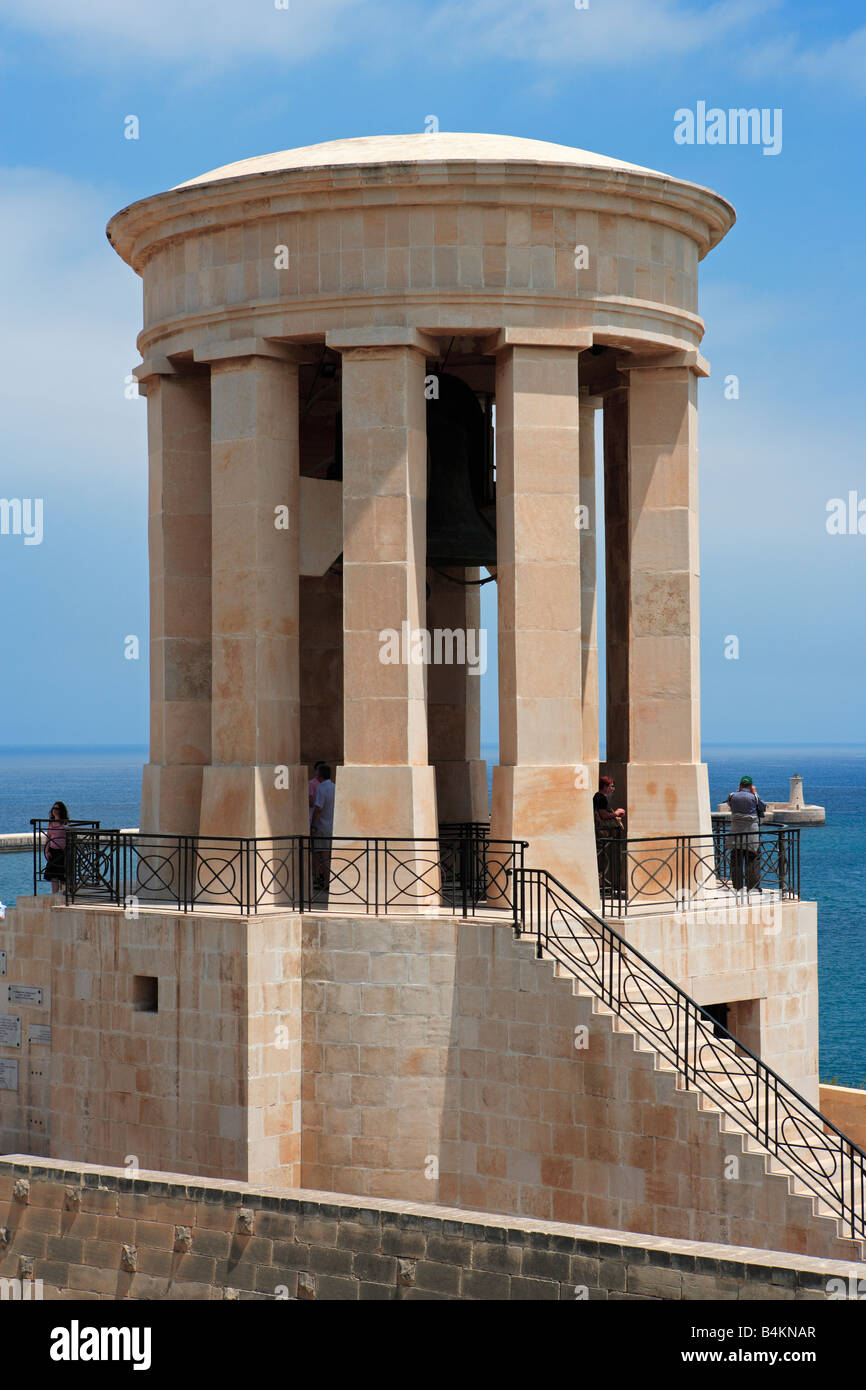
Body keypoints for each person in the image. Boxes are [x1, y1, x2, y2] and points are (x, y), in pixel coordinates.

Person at [727, 776, 766, 891]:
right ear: (751, 786)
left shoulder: (732, 796)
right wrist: (755, 793)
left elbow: (730, 806)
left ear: (740, 786)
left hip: (735, 834)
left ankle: (737, 887)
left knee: (736, 860)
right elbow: (762, 807)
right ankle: (752, 887)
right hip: (751, 835)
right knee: (753, 859)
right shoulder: (754, 797)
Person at [310, 765, 335, 891]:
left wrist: (313, 825)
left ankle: (326, 881)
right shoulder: (334, 786)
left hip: (321, 827)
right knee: (326, 855)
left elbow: (318, 809)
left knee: (322, 856)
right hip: (331, 826)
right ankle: (326, 880)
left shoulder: (321, 788)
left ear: (319, 775)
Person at [43, 800, 69, 894]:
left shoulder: (65, 822)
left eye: (57, 808)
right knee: (53, 875)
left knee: (62, 874)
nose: (55, 810)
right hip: (53, 850)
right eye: (54, 808)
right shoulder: (51, 822)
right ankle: (54, 893)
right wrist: (47, 851)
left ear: (61, 810)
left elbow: (68, 836)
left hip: (62, 851)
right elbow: (48, 837)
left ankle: (63, 893)